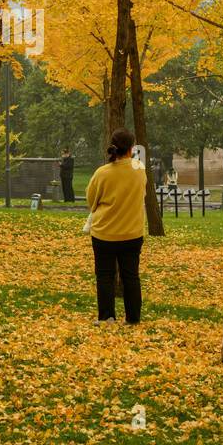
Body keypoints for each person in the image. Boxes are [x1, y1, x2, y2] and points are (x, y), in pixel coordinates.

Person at [85, 128, 145, 324]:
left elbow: (91, 198)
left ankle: (106, 316)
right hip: (132, 233)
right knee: (131, 277)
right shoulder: (139, 169)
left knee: (105, 276)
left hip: (105, 234)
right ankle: (133, 318)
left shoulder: (102, 173)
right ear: (131, 147)